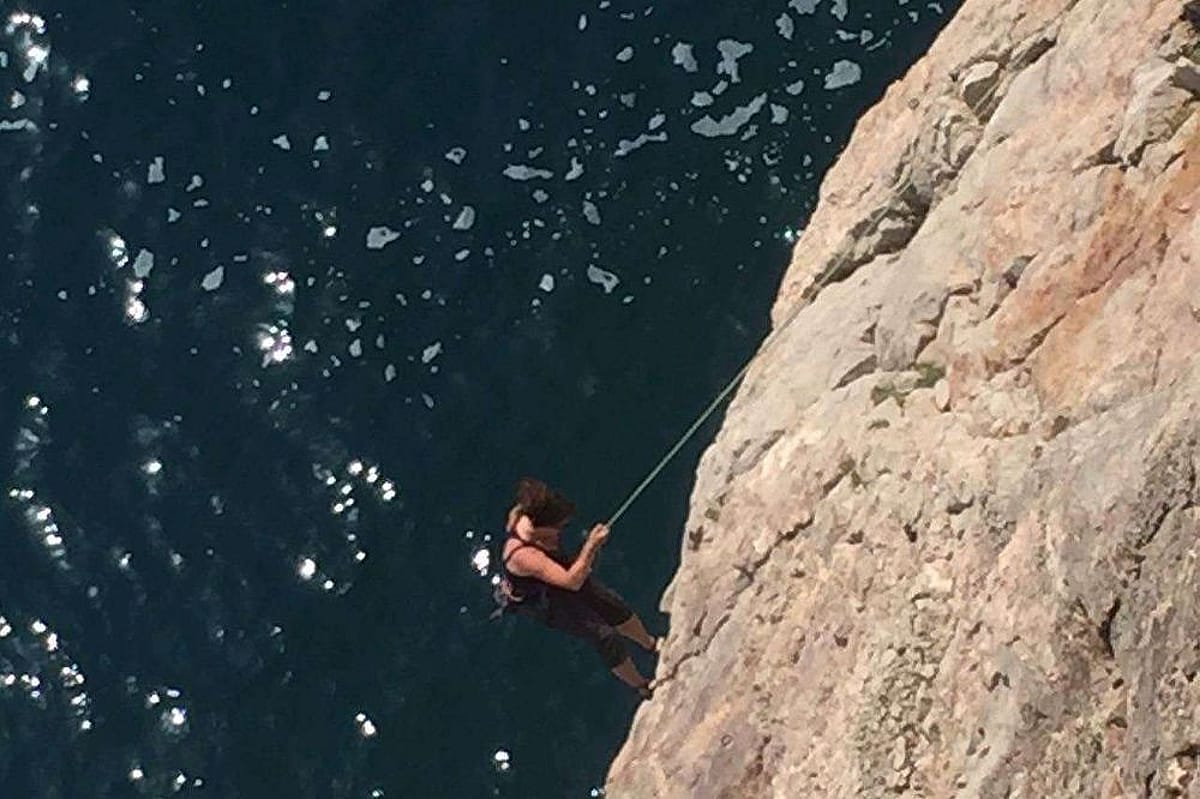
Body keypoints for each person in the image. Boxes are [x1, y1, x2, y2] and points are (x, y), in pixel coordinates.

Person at [497, 477, 660, 698]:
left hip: (552, 570)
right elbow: (571, 582)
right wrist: (591, 546)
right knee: (604, 636)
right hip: (544, 599)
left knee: (611, 604)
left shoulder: (523, 515)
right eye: (557, 528)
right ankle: (642, 686)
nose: (559, 532)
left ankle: (650, 644)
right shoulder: (525, 556)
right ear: (541, 528)